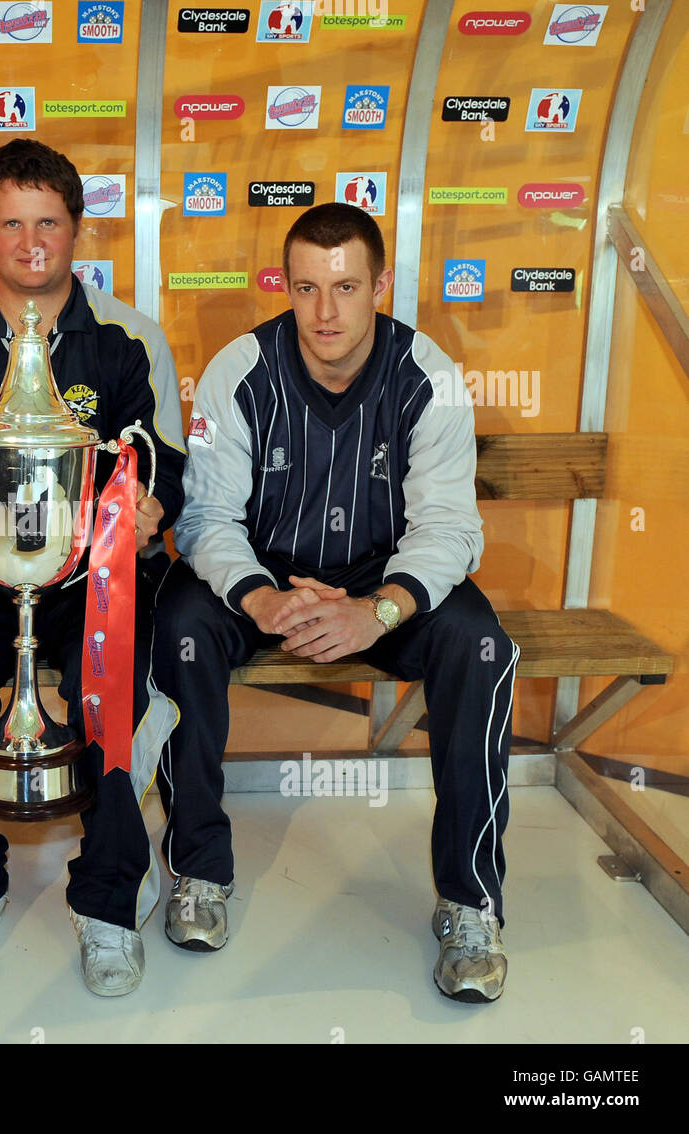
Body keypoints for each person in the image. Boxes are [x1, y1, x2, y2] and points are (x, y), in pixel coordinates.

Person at [151, 202, 518, 1002]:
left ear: (381, 284)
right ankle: (198, 872)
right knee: (178, 626)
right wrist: (259, 598)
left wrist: (378, 609)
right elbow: (207, 517)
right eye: (307, 287)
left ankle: (469, 903)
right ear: (285, 284)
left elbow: (452, 527)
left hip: (385, 583)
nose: (325, 311)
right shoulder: (237, 369)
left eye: (347, 286)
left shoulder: (431, 376)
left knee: (481, 646)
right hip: (264, 574)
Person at [0, 139, 186, 997]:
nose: (31, 242)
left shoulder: (130, 341)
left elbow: (158, 460)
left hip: (97, 578)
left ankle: (107, 904)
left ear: (77, 230)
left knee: (123, 674)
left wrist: (149, 506)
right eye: (11, 223)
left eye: (48, 221)